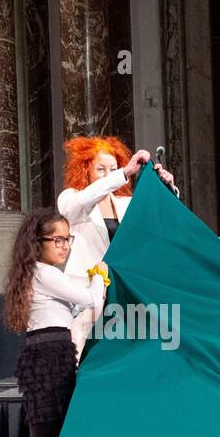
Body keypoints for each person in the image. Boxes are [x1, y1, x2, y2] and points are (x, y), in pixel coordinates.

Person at [3, 209, 108, 437]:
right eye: (58, 240)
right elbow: (92, 298)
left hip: (56, 353)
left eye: (67, 239)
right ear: (38, 243)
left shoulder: (42, 275)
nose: (65, 246)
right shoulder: (43, 272)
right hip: (47, 358)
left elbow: (71, 309)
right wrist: (100, 274)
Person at [58, 136, 176, 357]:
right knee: (81, 345)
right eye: (100, 169)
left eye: (113, 168)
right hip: (85, 288)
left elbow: (158, 216)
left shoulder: (124, 203)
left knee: (121, 348)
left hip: (121, 286)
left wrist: (166, 187)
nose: (107, 174)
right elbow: (85, 199)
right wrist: (122, 174)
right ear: (86, 170)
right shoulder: (71, 198)